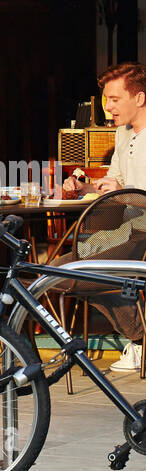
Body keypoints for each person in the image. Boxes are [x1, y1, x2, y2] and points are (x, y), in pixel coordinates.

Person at [63, 62, 146, 372]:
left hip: (142, 232)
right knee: (64, 270)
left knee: (76, 270)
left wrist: (121, 192)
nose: (108, 107)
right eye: (106, 99)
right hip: (128, 227)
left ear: (139, 98)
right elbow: (115, 184)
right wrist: (85, 187)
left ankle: (140, 338)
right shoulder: (124, 134)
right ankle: (140, 338)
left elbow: (123, 191)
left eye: (114, 99)